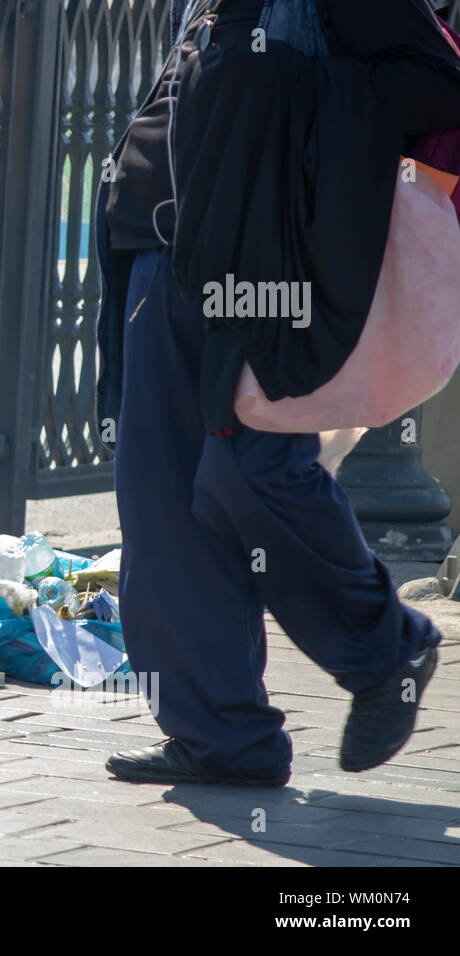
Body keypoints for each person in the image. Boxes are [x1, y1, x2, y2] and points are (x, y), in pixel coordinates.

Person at [95, 0, 460, 785]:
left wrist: (285, 102)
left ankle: (387, 649)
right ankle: (223, 740)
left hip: (262, 270)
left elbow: (439, 90)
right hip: (156, 256)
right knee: (164, 510)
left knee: (252, 473)